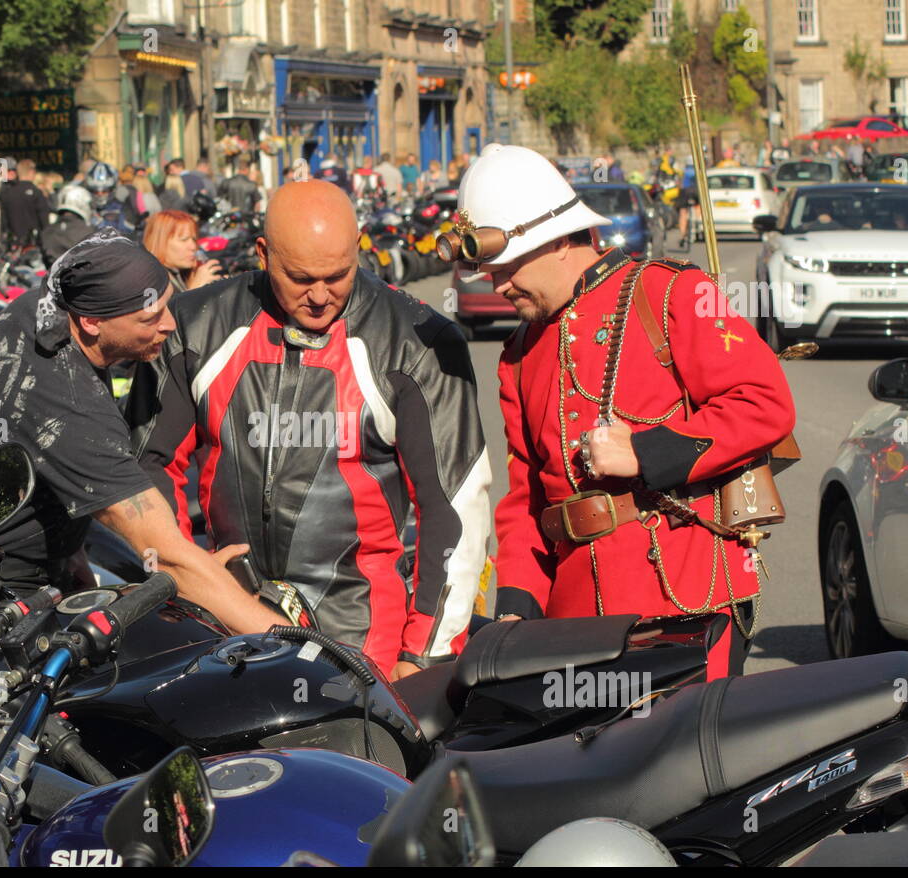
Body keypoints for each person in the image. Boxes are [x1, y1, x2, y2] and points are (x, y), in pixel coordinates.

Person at [448, 144, 795, 680]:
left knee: (686, 763)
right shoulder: (517, 353)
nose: (498, 285)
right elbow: (526, 500)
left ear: (560, 239)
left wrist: (643, 451)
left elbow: (763, 404)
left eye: (508, 267)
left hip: (684, 604)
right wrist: (518, 607)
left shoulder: (670, 293)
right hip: (573, 625)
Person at [129, 179, 491, 679]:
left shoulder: (415, 341)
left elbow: (455, 503)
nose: (320, 296)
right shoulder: (196, 325)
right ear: (262, 254)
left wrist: (424, 653)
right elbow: (147, 465)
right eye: (299, 278)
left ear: (360, 246)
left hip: (364, 637)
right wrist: (182, 568)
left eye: (338, 275)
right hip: (225, 619)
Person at [0, 228, 289, 635]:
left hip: (33, 557)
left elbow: (47, 470)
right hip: (0, 597)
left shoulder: (47, 305)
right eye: (150, 318)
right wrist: (298, 647)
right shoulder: (67, 400)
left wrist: (73, 557)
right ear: (92, 322)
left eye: (167, 305)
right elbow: (167, 556)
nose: (169, 325)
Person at [141, 209, 222, 293]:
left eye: (194, 239)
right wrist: (195, 289)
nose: (193, 247)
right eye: (184, 239)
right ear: (160, 242)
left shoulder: (181, 273)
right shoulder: (151, 282)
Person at [40, 184, 97, 268]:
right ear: (81, 203)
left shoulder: (47, 231)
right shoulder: (89, 231)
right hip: (81, 279)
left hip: (52, 278)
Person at [0, 158, 49, 247]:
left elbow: (4, 223)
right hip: (33, 243)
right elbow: (44, 221)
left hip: (15, 244)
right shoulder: (36, 193)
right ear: (31, 172)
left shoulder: (6, 194)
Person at [676, 158, 698, 251]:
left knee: (682, 211)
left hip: (684, 192)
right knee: (699, 205)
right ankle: (697, 222)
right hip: (695, 191)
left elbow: (679, 184)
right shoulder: (697, 171)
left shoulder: (683, 172)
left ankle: (682, 235)